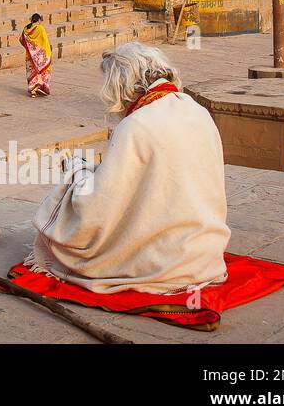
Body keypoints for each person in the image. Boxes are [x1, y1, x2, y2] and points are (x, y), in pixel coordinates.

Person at [29, 42, 230, 294]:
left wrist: (77, 172)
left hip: (164, 262)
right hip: (205, 252)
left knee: (74, 188)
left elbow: (98, 204)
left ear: (121, 84)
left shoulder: (136, 125)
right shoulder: (196, 110)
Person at [20, 13, 52, 97]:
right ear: (38, 20)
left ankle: (32, 89)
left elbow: (21, 40)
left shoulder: (26, 28)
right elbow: (44, 41)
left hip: (30, 55)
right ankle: (39, 88)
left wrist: (30, 48)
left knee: (32, 71)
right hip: (40, 55)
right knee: (42, 71)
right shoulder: (40, 28)